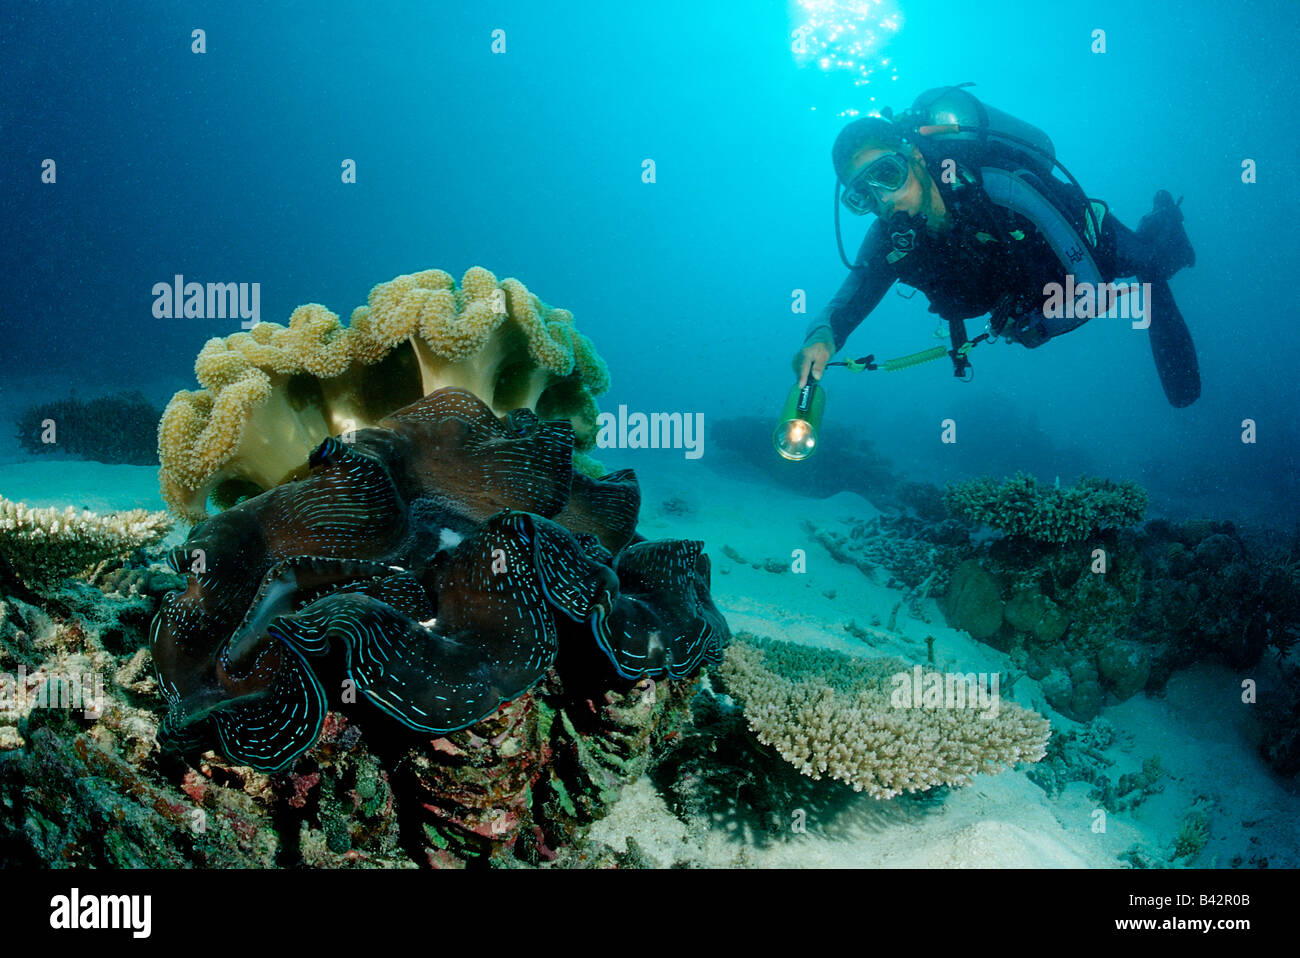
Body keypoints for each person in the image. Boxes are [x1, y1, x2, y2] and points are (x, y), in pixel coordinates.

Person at [794, 89, 1200, 407]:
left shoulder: (1000, 186)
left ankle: (1163, 221)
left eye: (887, 174)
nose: (883, 200)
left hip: (1091, 248)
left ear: (914, 156)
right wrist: (823, 337)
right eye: (862, 195)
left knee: (1153, 264)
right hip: (1031, 288)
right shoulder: (891, 238)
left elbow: (1095, 290)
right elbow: (849, 298)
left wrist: (1039, 326)